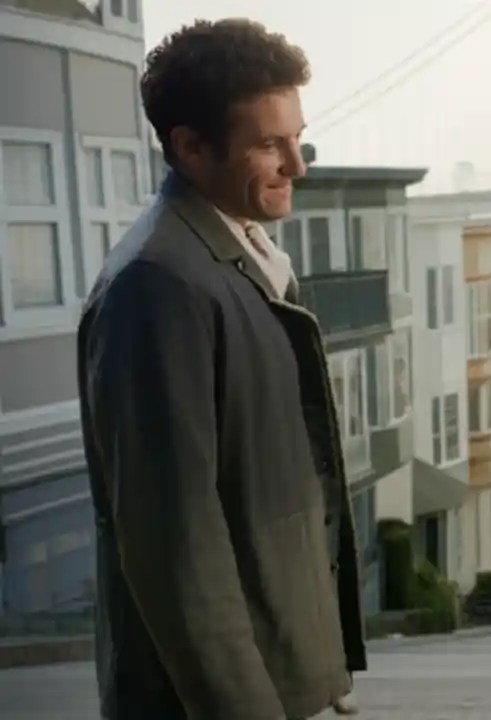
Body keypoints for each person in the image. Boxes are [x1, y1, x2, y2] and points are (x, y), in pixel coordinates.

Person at [76, 19, 362, 720]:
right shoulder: (158, 286)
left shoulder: (239, 257)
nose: (298, 165)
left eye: (299, 137)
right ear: (190, 147)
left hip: (284, 682)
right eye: (270, 144)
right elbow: (178, 549)